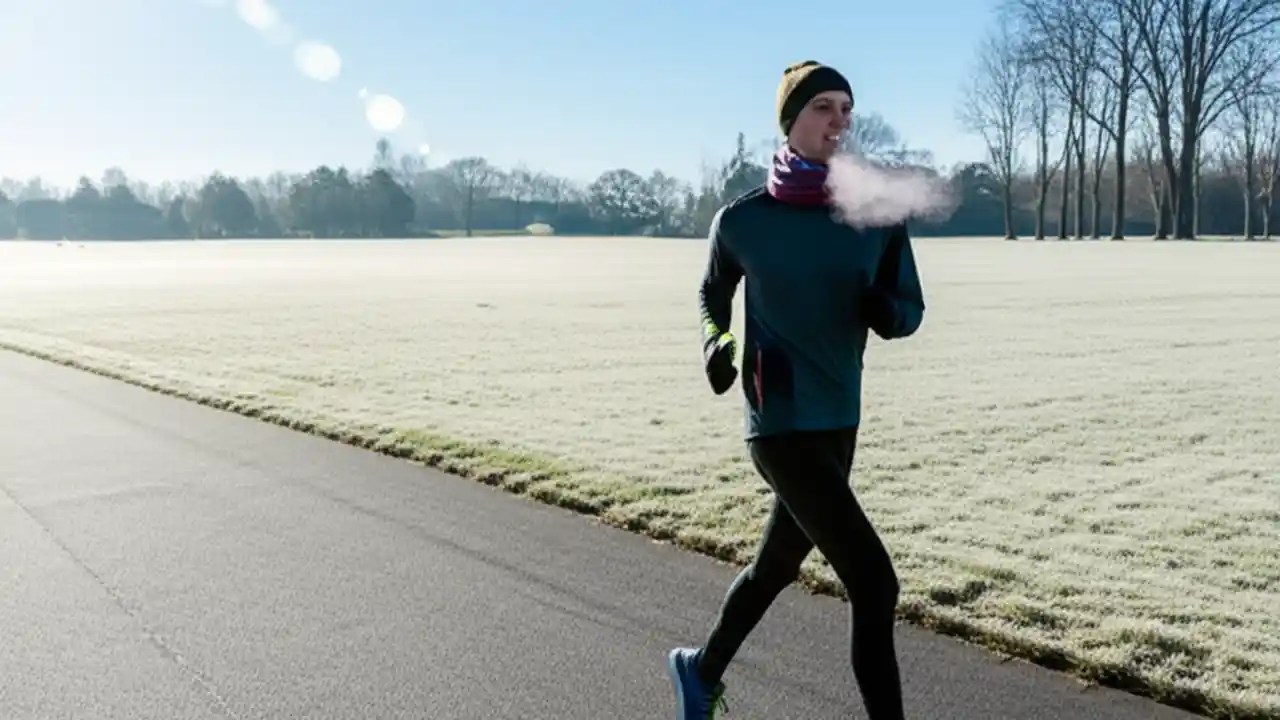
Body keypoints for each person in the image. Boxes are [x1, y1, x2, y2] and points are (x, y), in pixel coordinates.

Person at [666, 60, 925, 720]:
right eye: (824, 107)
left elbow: (909, 306)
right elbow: (712, 290)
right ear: (791, 120)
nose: (840, 120)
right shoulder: (743, 221)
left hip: (841, 417)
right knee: (874, 583)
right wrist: (714, 343)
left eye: (846, 108)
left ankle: (700, 670)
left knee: (776, 567)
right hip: (778, 422)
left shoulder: (877, 216)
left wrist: (885, 313)